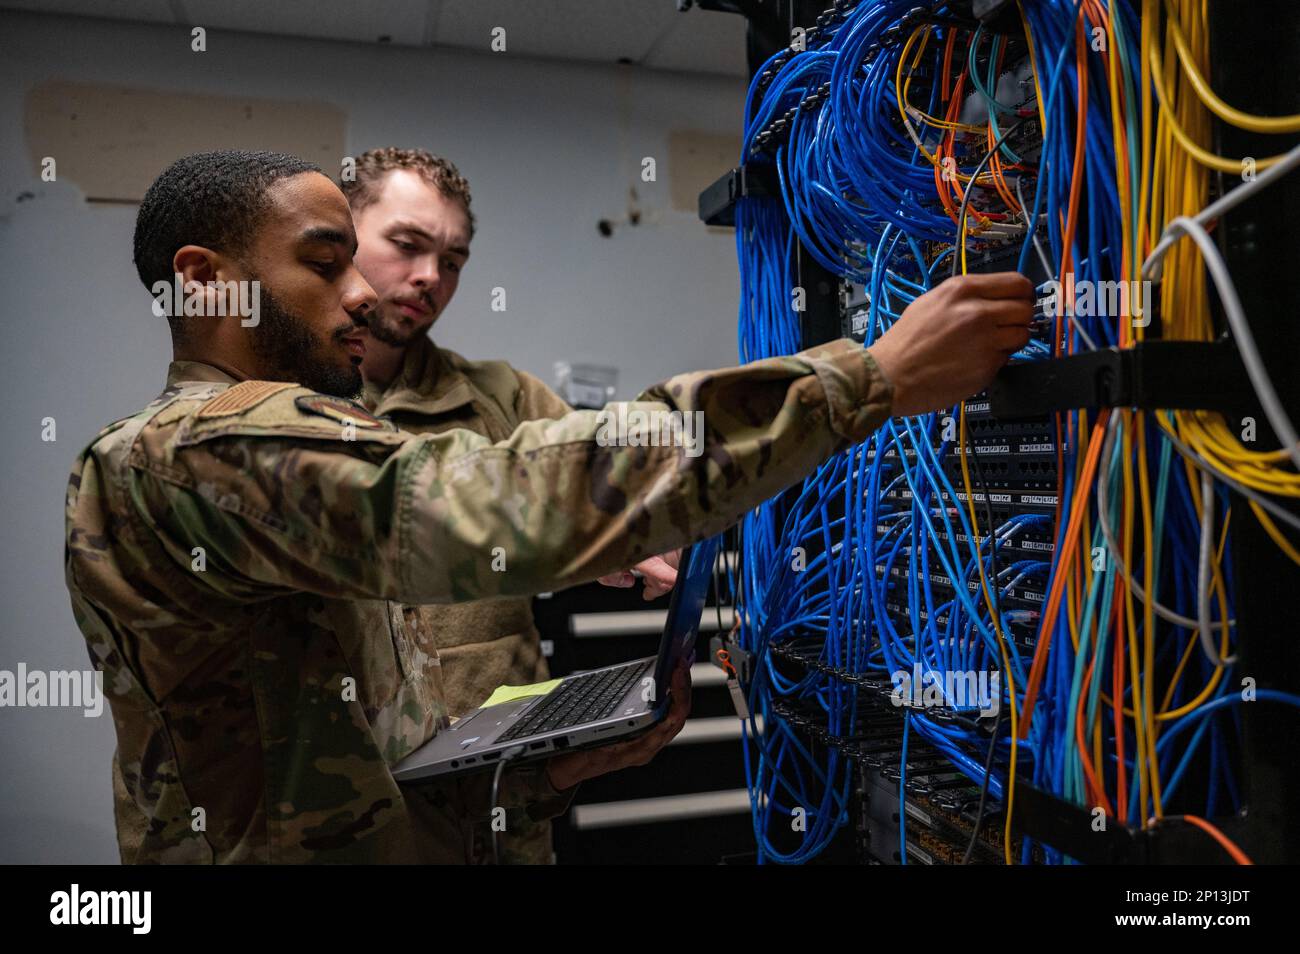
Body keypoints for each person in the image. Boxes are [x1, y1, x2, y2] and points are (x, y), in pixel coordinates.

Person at [65, 150, 1032, 863]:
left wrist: (544, 772)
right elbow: (491, 501)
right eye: (330, 263)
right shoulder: (185, 454)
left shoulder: (304, 435)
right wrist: (865, 377)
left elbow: (364, 772)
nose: (366, 294)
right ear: (203, 281)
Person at [341, 147, 677, 863]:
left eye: (454, 260)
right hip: (355, 825)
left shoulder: (499, 398)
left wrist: (622, 530)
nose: (430, 277)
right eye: (407, 245)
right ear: (342, 234)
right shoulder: (283, 415)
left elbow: (605, 479)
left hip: (504, 812)